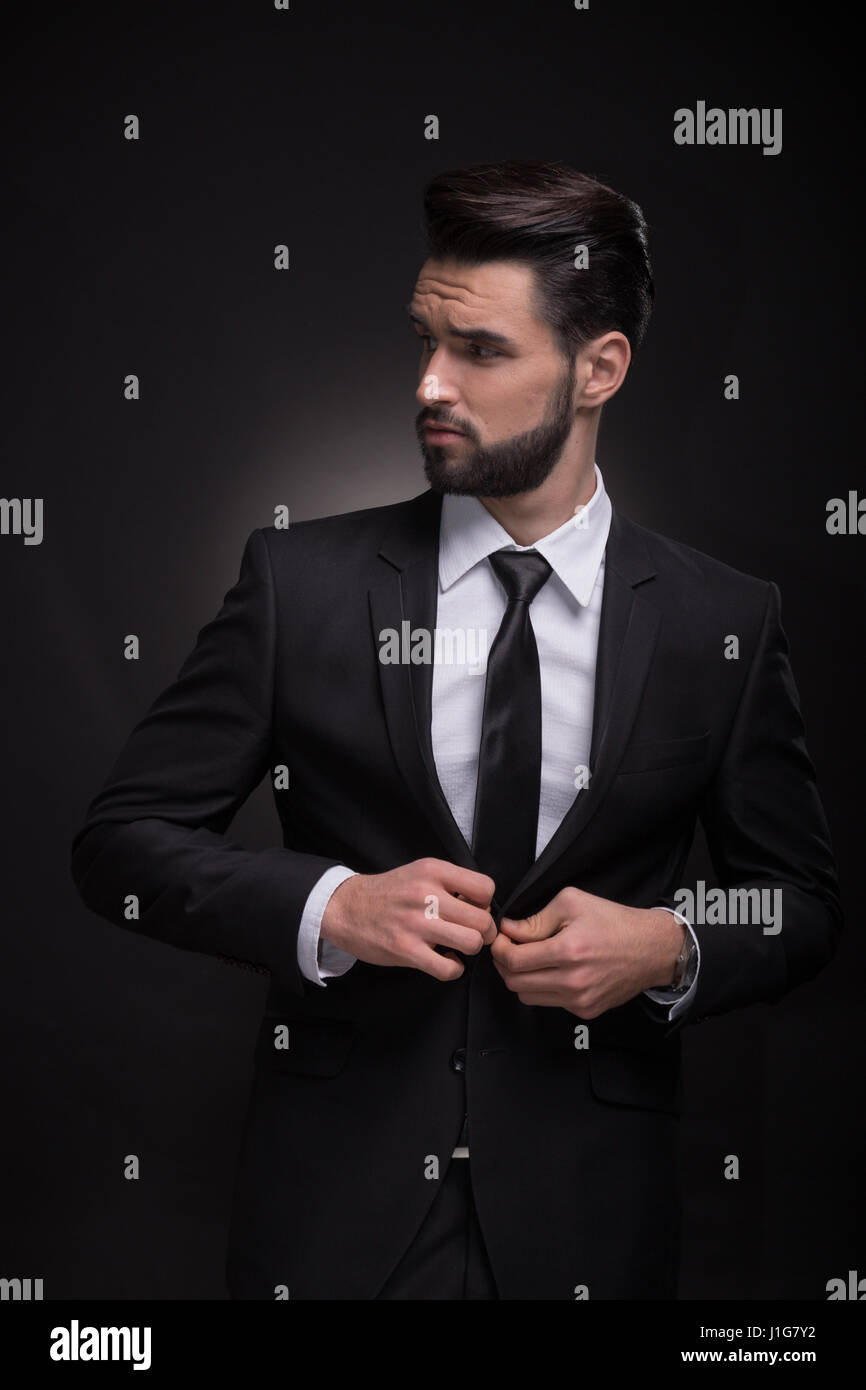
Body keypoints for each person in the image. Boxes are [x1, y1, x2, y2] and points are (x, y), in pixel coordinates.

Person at [70, 160, 841, 1300]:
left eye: (480, 350)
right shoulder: (299, 586)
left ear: (598, 369)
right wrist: (332, 905)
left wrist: (665, 944)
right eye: (424, 339)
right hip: (330, 1225)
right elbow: (119, 842)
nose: (430, 382)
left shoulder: (718, 622)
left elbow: (801, 903)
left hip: (591, 1229)